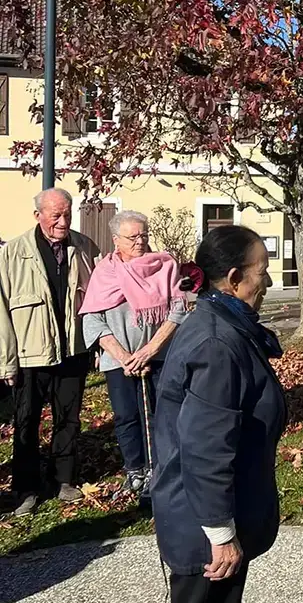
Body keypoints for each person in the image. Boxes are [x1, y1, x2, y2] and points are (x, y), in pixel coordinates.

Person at [142, 224, 287, 603]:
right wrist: (221, 532)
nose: (268, 279)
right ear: (233, 280)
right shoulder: (215, 341)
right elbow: (205, 448)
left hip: (211, 518)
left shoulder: (223, 326)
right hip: (203, 526)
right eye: (261, 269)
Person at [0, 188, 100, 516]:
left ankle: (63, 480)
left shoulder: (84, 247)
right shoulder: (13, 253)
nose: (62, 221)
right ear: (38, 216)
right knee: (26, 421)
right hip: (30, 354)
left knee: (68, 418)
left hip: (73, 350)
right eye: (55, 215)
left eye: (67, 214)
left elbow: (100, 297)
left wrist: (96, 342)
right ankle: (26, 488)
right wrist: (7, 360)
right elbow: (1, 311)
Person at [80, 211, 187, 499]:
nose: (140, 241)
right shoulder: (104, 272)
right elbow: (92, 319)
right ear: (116, 240)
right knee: (126, 416)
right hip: (120, 360)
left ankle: (162, 470)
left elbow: (178, 310)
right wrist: (125, 356)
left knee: (159, 413)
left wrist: (150, 350)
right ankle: (135, 472)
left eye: (144, 235)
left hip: (158, 355)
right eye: (133, 237)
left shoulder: (164, 265)